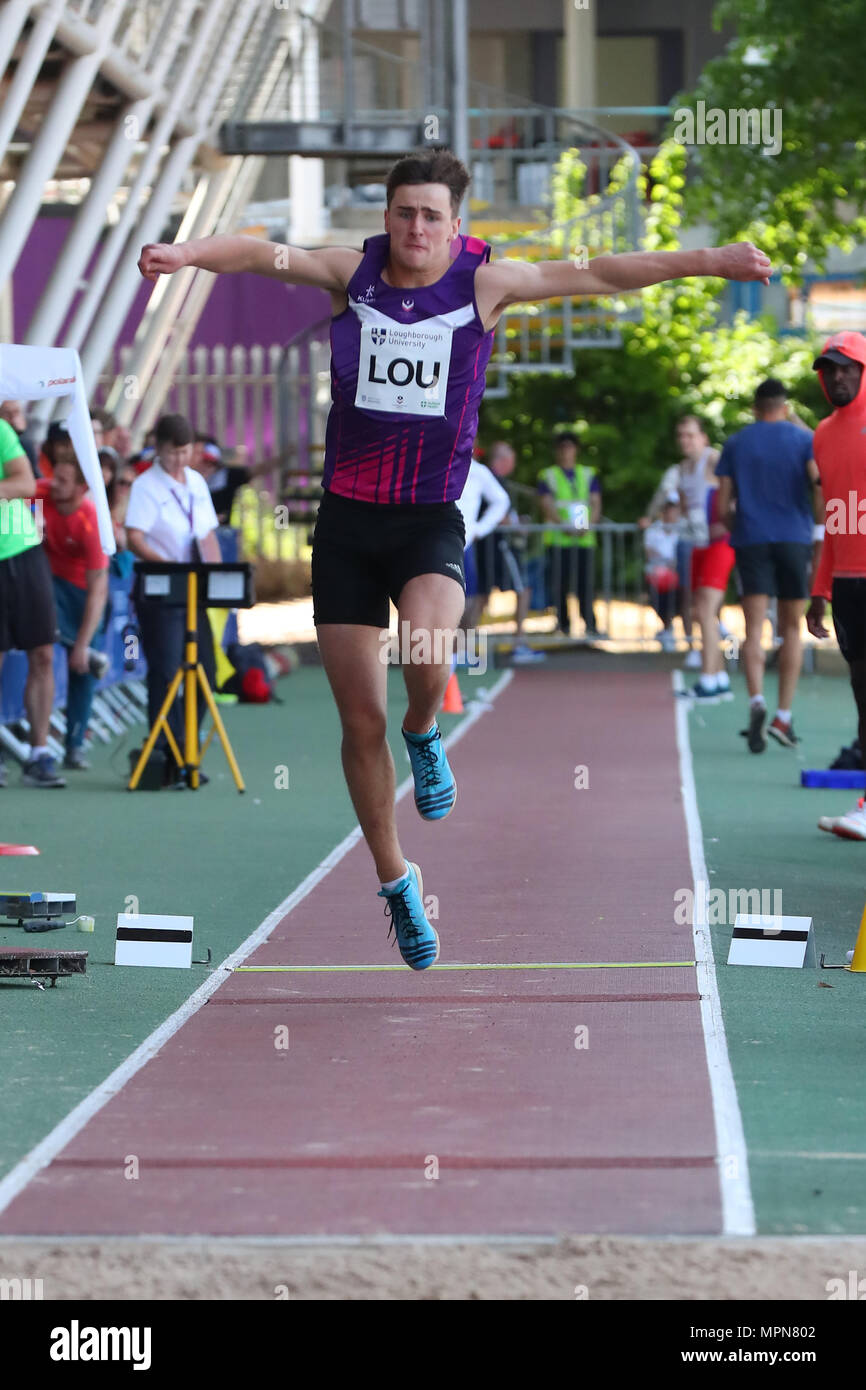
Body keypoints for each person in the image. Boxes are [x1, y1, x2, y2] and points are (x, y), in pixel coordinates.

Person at [138, 145, 771, 968]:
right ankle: (397, 881)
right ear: (389, 217)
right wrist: (186, 254)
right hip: (347, 525)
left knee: (430, 652)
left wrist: (709, 261)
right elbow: (260, 253)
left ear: (455, 224)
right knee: (357, 724)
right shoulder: (348, 276)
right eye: (404, 213)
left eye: (432, 215)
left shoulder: (486, 284)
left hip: (429, 516)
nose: (416, 228)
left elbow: (606, 272)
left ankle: (426, 727)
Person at [716, 379, 819, 751]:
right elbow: (818, 477)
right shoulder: (802, 439)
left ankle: (757, 700)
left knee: (753, 627)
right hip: (794, 536)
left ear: (755, 407)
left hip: (752, 537)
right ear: (784, 405)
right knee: (792, 627)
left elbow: (723, 503)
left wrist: (737, 525)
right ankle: (783, 716)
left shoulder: (738, 442)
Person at [125, 413, 222, 788]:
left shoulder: (196, 481)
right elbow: (135, 537)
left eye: (186, 452)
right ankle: (167, 755)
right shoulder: (145, 486)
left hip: (195, 588)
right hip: (162, 588)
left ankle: (188, 752)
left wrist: (215, 570)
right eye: (173, 452)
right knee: (166, 673)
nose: (180, 460)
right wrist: (170, 565)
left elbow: (208, 532)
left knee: (205, 673)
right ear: (158, 449)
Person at [806, 333, 866, 839]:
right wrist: (819, 589)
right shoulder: (822, 434)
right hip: (847, 587)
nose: (838, 376)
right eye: (830, 369)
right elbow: (833, 519)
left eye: (848, 367)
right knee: (862, 695)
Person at [0, 410, 66, 787]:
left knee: (42, 652)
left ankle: (39, 754)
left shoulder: (1, 430)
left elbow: (26, 483)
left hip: (22, 552)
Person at [35, 451, 109, 769]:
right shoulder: (42, 492)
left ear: (81, 488)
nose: (54, 485)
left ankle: (74, 745)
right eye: (55, 476)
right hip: (49, 585)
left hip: (83, 596)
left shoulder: (91, 519)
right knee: (44, 655)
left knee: (81, 669)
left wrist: (81, 645)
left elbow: (99, 590)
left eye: (63, 481)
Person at [641, 416, 721, 669]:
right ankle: (695, 646)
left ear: (703, 437)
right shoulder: (679, 469)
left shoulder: (713, 459)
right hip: (691, 539)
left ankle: (714, 648)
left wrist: (731, 517)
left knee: (709, 596)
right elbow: (663, 494)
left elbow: (736, 487)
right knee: (690, 595)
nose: (684, 440)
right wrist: (649, 516)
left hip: (714, 539)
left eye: (690, 435)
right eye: (681, 436)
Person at [476, 441, 546, 663]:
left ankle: (461, 648)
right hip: (498, 546)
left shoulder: (492, 479)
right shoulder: (488, 478)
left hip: (491, 546)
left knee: (481, 595)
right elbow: (492, 513)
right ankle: (518, 643)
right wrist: (514, 524)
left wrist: (514, 521)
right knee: (519, 589)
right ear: (503, 461)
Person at [537, 432, 601, 638]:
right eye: (562, 447)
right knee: (560, 584)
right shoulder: (548, 475)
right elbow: (546, 505)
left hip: (583, 539)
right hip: (558, 539)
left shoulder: (588, 474)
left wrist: (587, 526)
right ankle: (564, 625)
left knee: (585, 583)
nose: (566, 451)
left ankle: (589, 624)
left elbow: (595, 502)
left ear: (576, 450)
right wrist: (563, 525)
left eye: (569, 447)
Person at [683, 482, 737, 702]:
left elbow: (739, 507)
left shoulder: (724, 480)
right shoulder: (689, 477)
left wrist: (726, 526)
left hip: (719, 546)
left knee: (705, 613)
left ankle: (707, 681)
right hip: (701, 545)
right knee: (705, 614)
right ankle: (720, 678)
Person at [455, 451, 511, 630]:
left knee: (468, 601)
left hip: (464, 545)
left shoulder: (477, 471)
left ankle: (459, 653)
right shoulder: (432, 462)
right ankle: (441, 654)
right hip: (433, 545)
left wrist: (480, 529)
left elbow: (501, 501)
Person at [644, 492, 686, 651]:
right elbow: (650, 553)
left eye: (674, 508)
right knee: (657, 590)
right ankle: (667, 628)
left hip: (677, 573)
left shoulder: (683, 528)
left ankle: (670, 630)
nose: (672, 512)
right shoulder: (654, 529)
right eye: (669, 508)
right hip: (658, 574)